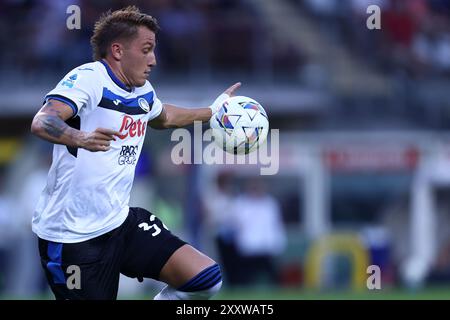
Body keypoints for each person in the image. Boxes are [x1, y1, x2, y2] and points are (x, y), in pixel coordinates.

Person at [30, 6, 241, 300]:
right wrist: (80, 137)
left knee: (204, 279)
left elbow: (164, 116)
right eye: (146, 50)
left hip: (119, 223)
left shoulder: (141, 90)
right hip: (72, 238)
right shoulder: (89, 79)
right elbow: (43, 121)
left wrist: (212, 111)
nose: (153, 60)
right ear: (117, 50)